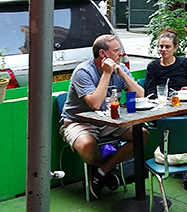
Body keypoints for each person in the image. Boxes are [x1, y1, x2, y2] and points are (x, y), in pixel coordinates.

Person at [60, 35, 147, 200]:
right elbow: (95, 104)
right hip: (79, 121)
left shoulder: (120, 67)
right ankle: (102, 169)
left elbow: (141, 96)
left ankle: (101, 172)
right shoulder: (83, 71)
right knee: (86, 145)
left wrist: (122, 74)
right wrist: (107, 73)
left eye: (120, 50)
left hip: (108, 119)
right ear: (103, 54)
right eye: (116, 51)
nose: (121, 54)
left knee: (142, 135)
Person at [144, 28, 187, 97]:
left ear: (175, 48)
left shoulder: (183, 62)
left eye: (167, 47)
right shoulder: (152, 66)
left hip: (182, 100)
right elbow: (150, 92)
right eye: (161, 46)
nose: (163, 49)